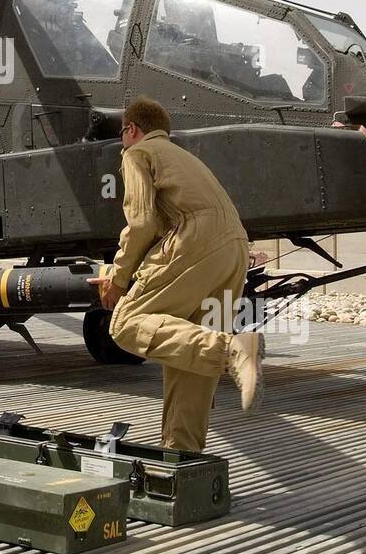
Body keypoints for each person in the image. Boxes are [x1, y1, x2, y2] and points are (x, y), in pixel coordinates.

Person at [87, 97, 261, 451]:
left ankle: (233, 351)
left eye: (123, 133)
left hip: (195, 240)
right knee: (189, 359)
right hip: (234, 248)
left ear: (132, 129)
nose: (122, 141)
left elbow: (141, 222)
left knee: (125, 323)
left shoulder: (137, 153)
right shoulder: (186, 157)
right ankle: (182, 457)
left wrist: (118, 278)